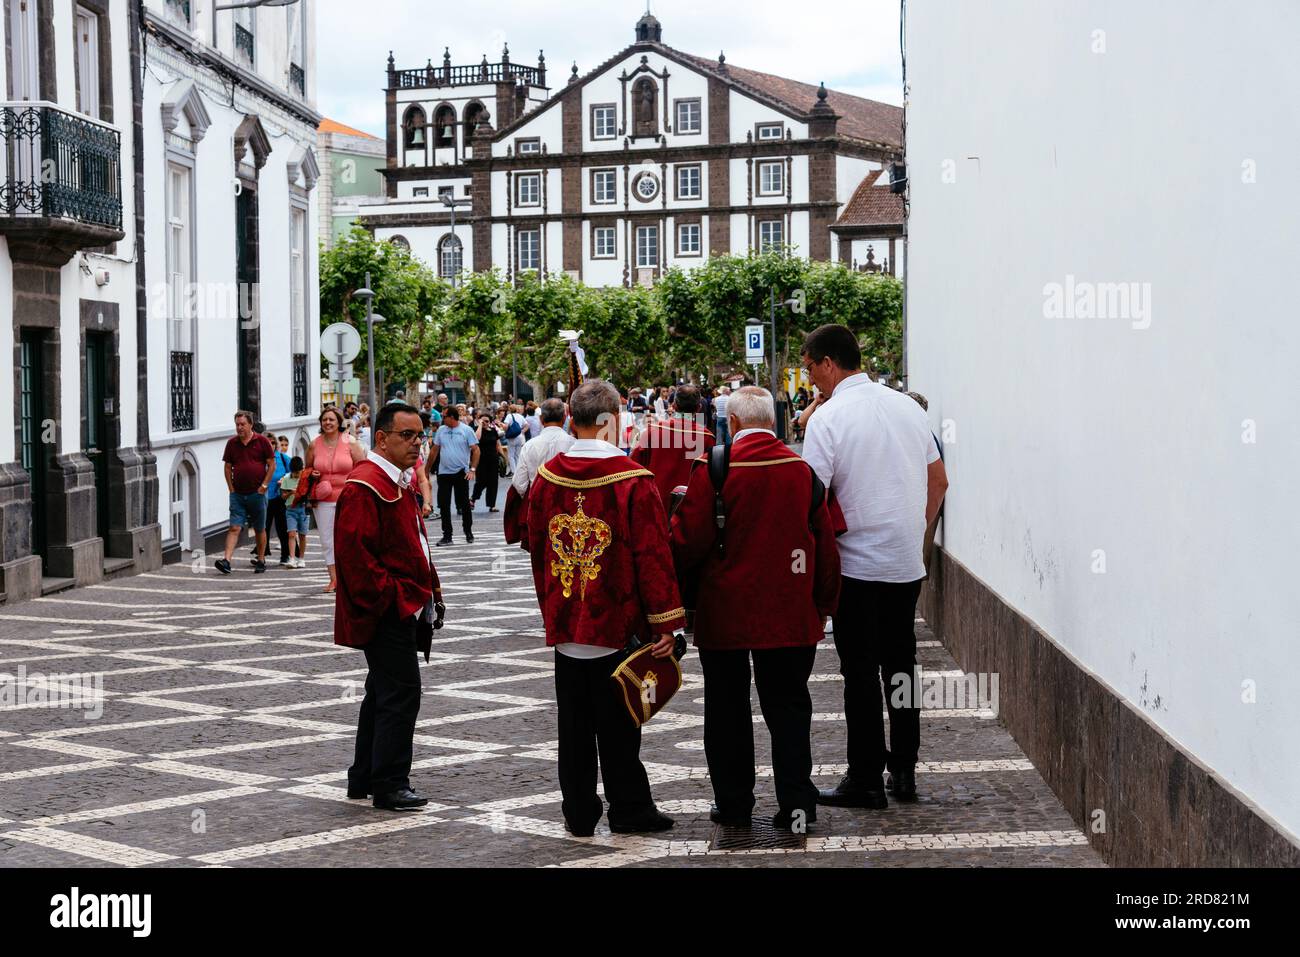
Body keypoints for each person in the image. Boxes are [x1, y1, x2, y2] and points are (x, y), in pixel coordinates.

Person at [671, 387, 841, 831]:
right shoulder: (803, 472)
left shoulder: (716, 468)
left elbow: (687, 543)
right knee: (789, 711)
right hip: (790, 614)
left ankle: (733, 805)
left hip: (725, 614)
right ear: (773, 420)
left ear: (734, 423)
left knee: (726, 712)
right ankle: (797, 806)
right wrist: (822, 606)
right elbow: (826, 547)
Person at [524, 379, 684, 836]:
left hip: (567, 621)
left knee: (572, 726)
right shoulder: (634, 481)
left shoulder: (548, 477)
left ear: (573, 420)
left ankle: (578, 812)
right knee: (619, 723)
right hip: (618, 623)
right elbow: (653, 556)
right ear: (613, 421)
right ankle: (630, 808)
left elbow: (537, 546)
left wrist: (554, 604)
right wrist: (666, 623)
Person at [800, 324, 949, 808]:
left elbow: (813, 498)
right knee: (901, 666)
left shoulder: (828, 418)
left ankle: (865, 776)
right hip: (905, 564)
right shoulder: (907, 406)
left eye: (809, 369)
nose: (810, 382)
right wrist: (914, 532)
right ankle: (904, 770)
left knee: (860, 672)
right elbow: (939, 482)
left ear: (827, 363)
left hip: (856, 566)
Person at [334, 403, 445, 811]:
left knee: (381, 692)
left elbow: (414, 540)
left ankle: (363, 775)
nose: (418, 443)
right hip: (386, 611)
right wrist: (396, 600)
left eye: (420, 435)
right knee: (402, 693)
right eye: (408, 436)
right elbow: (356, 559)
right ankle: (390, 783)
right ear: (381, 438)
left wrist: (430, 589)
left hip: (404, 605)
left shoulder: (398, 480)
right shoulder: (364, 485)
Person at [306, 407, 367, 593]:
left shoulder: (351, 442)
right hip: (323, 498)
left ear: (339, 422)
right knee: (327, 539)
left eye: (331, 420)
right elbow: (306, 469)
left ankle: (351, 576)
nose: (328, 423)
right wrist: (312, 473)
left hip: (349, 498)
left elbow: (363, 468)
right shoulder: (314, 444)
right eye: (324, 420)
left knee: (350, 538)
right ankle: (334, 580)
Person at [630, 384, 715, 514]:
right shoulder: (708, 438)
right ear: (698, 408)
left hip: (655, 505)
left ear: (674, 405)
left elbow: (634, 466)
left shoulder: (652, 430)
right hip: (691, 509)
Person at [216, 411, 275, 575]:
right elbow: (227, 467)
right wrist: (231, 489)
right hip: (238, 494)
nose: (239, 427)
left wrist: (264, 485)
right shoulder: (232, 443)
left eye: (242, 424)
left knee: (259, 528)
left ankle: (261, 560)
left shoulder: (262, 441)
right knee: (234, 527)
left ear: (250, 424)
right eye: (237, 424)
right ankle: (226, 561)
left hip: (257, 493)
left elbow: (272, 464)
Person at [427, 406, 479, 546]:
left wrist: (472, 469)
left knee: (464, 505)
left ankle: (468, 532)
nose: (442, 419)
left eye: (444, 416)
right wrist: (426, 470)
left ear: (452, 417)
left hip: (461, 472)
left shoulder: (466, 430)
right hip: (443, 473)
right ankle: (447, 536)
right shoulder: (441, 431)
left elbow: (476, 450)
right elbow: (434, 450)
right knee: (444, 504)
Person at [265, 434, 293, 567]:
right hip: (263, 497)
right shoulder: (259, 458)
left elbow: (294, 473)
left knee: (282, 527)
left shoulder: (282, 458)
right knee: (263, 527)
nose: (271, 445)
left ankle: (285, 555)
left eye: (273, 442)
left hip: (278, 497)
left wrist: (284, 480)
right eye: (267, 442)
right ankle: (262, 556)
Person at [470, 412, 507, 511]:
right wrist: (480, 425)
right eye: (482, 421)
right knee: (481, 481)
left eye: (486, 421)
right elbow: (477, 438)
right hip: (480, 460)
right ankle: (473, 499)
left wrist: (503, 457)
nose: (484, 422)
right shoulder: (476, 430)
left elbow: (498, 444)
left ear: (490, 422)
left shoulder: (493, 431)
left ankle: (492, 505)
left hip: (493, 459)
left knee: (493, 482)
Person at [279, 455, 310, 568]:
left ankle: (301, 559)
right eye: (295, 473)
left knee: (302, 534)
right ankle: (292, 558)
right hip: (290, 509)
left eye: (299, 472)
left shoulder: (305, 479)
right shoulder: (287, 479)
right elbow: (282, 496)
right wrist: (290, 493)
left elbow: (309, 493)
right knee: (291, 533)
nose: (297, 475)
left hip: (303, 508)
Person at [502, 404, 528, 475]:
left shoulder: (509, 416)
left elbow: (506, 427)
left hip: (512, 437)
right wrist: (522, 432)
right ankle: (519, 471)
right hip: (520, 437)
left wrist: (502, 426)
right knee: (518, 454)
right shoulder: (520, 416)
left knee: (511, 455)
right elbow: (527, 425)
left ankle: (514, 471)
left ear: (510, 410)